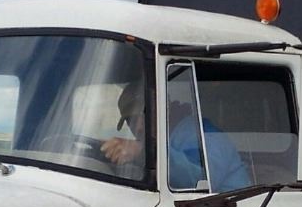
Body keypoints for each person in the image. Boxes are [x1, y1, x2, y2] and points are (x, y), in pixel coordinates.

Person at [102, 79, 250, 191]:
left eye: (144, 115)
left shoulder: (204, 133)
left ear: (164, 107)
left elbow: (201, 180)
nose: (139, 127)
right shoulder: (163, 139)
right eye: (130, 120)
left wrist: (144, 151)